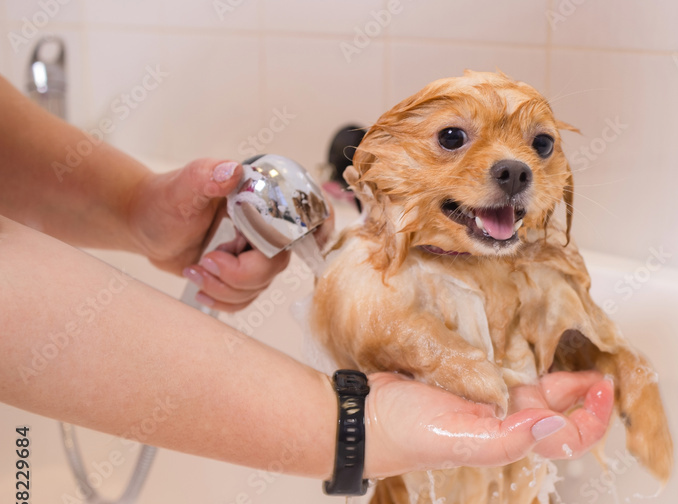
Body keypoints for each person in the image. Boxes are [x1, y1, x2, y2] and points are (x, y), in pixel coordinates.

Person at [0, 75, 614, 482]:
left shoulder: (536, 265)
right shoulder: (373, 269)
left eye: (539, 145)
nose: (513, 168)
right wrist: (356, 426)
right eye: (453, 138)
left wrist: (134, 208)